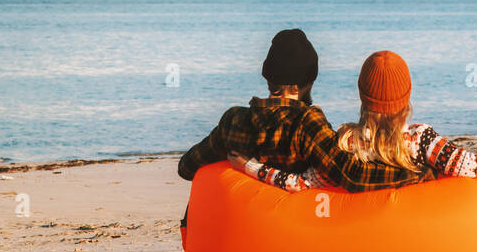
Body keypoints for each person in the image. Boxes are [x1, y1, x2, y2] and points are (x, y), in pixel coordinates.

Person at [230, 50, 477, 192]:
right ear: (407, 98)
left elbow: (300, 184)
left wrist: (250, 167)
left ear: (362, 96)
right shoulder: (419, 140)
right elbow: (474, 166)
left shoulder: (344, 143)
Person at [178, 30, 427, 197]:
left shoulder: (234, 121)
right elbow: (353, 176)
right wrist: (419, 174)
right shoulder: (308, 123)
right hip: (297, 237)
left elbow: (187, 167)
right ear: (305, 83)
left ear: (268, 78)